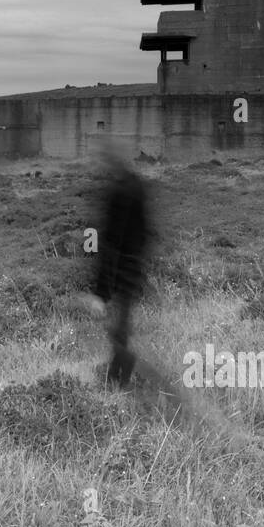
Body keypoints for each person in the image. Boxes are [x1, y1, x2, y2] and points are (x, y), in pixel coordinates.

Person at [86, 140, 151, 388]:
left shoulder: (118, 193)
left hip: (123, 268)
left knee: (118, 328)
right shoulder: (137, 185)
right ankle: (117, 376)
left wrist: (101, 293)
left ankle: (119, 376)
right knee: (120, 324)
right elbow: (145, 231)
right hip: (135, 266)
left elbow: (111, 243)